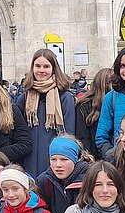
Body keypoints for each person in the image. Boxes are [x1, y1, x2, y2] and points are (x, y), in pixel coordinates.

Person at [13, 48, 77, 178]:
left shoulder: (64, 97)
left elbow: (68, 133)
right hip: (28, 161)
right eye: (37, 66)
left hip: (54, 160)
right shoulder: (23, 98)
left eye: (46, 66)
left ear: (53, 69)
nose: (41, 70)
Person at [36, 135, 88, 213]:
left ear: (76, 159)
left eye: (64, 159)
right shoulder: (43, 181)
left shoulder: (89, 180)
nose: (58, 165)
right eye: (53, 159)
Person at [75, 68, 111, 154]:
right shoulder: (84, 105)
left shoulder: (115, 102)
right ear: (106, 84)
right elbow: (82, 137)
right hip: (93, 157)